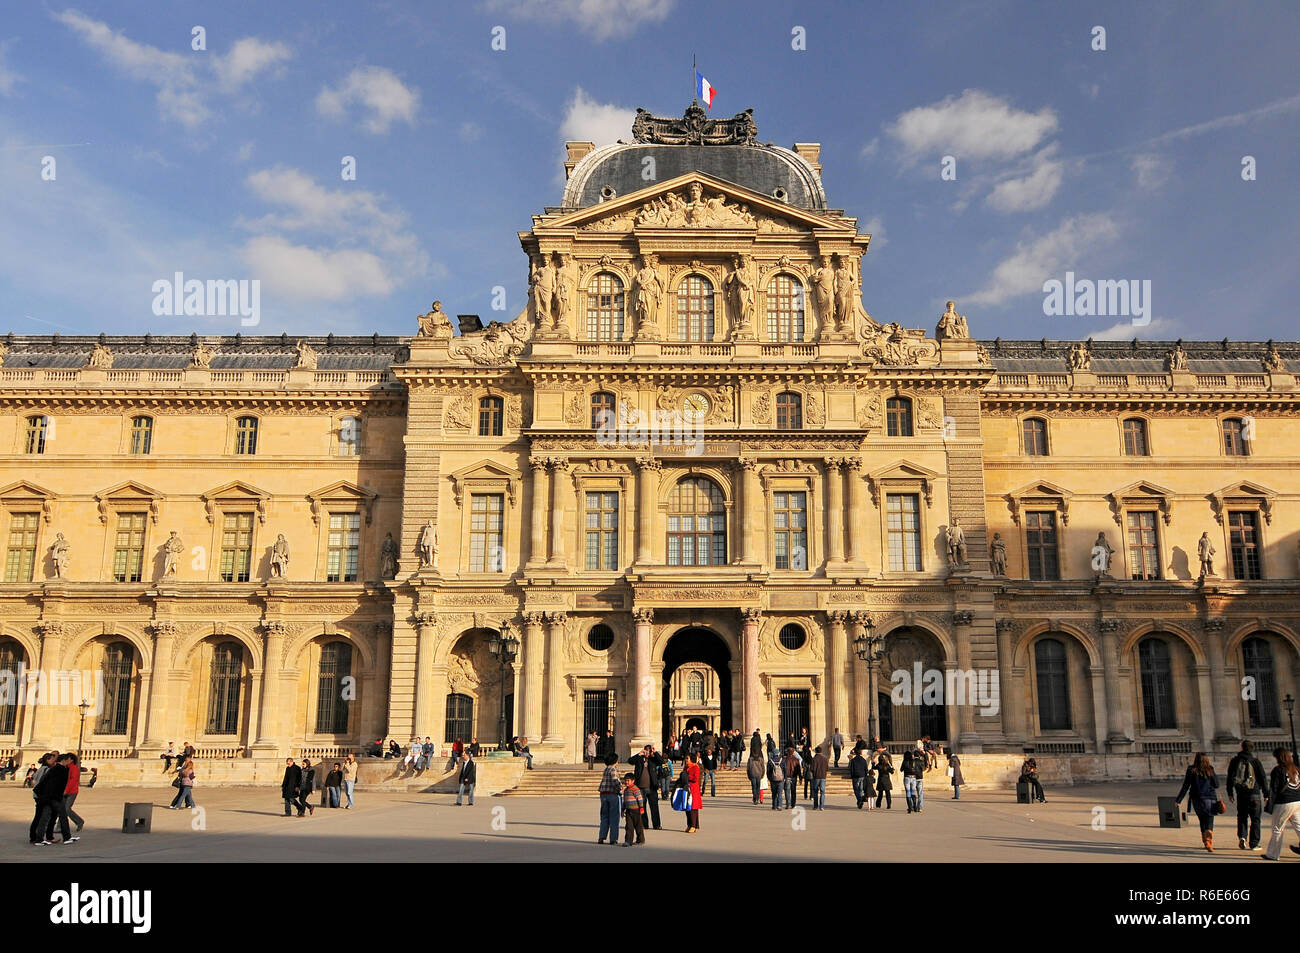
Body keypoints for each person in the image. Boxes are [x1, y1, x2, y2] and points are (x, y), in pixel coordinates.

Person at [1175, 752, 1221, 852]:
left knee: (1202, 820)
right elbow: (1217, 784)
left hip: (1197, 799)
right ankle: (1209, 840)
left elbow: (1185, 786)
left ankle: (1206, 841)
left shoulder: (1191, 770)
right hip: (1210, 798)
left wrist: (1179, 800)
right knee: (1209, 819)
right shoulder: (1210, 769)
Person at [1226, 740, 1267, 851]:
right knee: (1256, 819)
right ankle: (1254, 844)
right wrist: (1266, 794)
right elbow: (1263, 778)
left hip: (1241, 794)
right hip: (1254, 794)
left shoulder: (1235, 761)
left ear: (1241, 747)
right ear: (1252, 749)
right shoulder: (1255, 761)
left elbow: (1230, 777)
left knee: (1242, 817)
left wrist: (1230, 793)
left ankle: (1242, 836)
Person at [1263, 747, 1300, 861]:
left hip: (1284, 802)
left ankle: (1273, 854)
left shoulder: (1278, 770)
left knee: (1277, 828)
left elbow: (1274, 788)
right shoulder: (1295, 769)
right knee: (1299, 827)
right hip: (1297, 801)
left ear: (1279, 758)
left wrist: (1269, 801)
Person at [31, 752, 71, 846]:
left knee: (46, 817)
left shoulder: (50, 769)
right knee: (41, 817)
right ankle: (36, 838)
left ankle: (42, 838)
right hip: (45, 796)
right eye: (53, 759)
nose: (54, 760)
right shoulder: (46, 769)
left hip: (46, 796)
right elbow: (42, 782)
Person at [627, 744, 664, 831]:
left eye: (649, 750)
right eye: (646, 750)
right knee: (642, 807)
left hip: (652, 787)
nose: (647, 752)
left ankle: (657, 824)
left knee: (654, 807)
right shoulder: (639, 759)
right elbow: (630, 761)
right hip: (640, 787)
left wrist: (655, 753)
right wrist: (639, 754)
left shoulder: (653, 759)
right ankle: (644, 824)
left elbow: (662, 761)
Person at [597, 753, 622, 846]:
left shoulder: (606, 769)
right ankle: (613, 838)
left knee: (604, 816)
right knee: (614, 817)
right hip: (612, 794)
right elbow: (615, 781)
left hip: (603, 794)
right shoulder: (613, 769)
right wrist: (621, 788)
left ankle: (601, 837)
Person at [621, 773, 646, 846]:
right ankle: (628, 841)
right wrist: (623, 810)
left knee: (638, 826)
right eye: (625, 780)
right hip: (628, 811)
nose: (626, 782)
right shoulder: (626, 790)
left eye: (628, 780)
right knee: (629, 827)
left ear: (633, 781)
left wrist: (641, 808)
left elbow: (640, 799)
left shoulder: (636, 789)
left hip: (636, 810)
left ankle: (640, 840)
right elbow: (625, 800)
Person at [682, 750, 702, 833]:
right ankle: (689, 824)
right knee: (687, 808)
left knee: (693, 808)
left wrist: (687, 776)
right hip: (687, 788)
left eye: (688, 758)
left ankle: (693, 825)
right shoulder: (686, 767)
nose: (686, 760)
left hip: (693, 789)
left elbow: (696, 778)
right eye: (686, 758)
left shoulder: (695, 767)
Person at [809, 745, 830, 810]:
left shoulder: (814, 759)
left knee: (815, 792)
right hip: (823, 776)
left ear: (815, 751)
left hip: (816, 777)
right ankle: (822, 806)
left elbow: (812, 769)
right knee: (822, 792)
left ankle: (815, 806)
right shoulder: (825, 759)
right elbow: (827, 768)